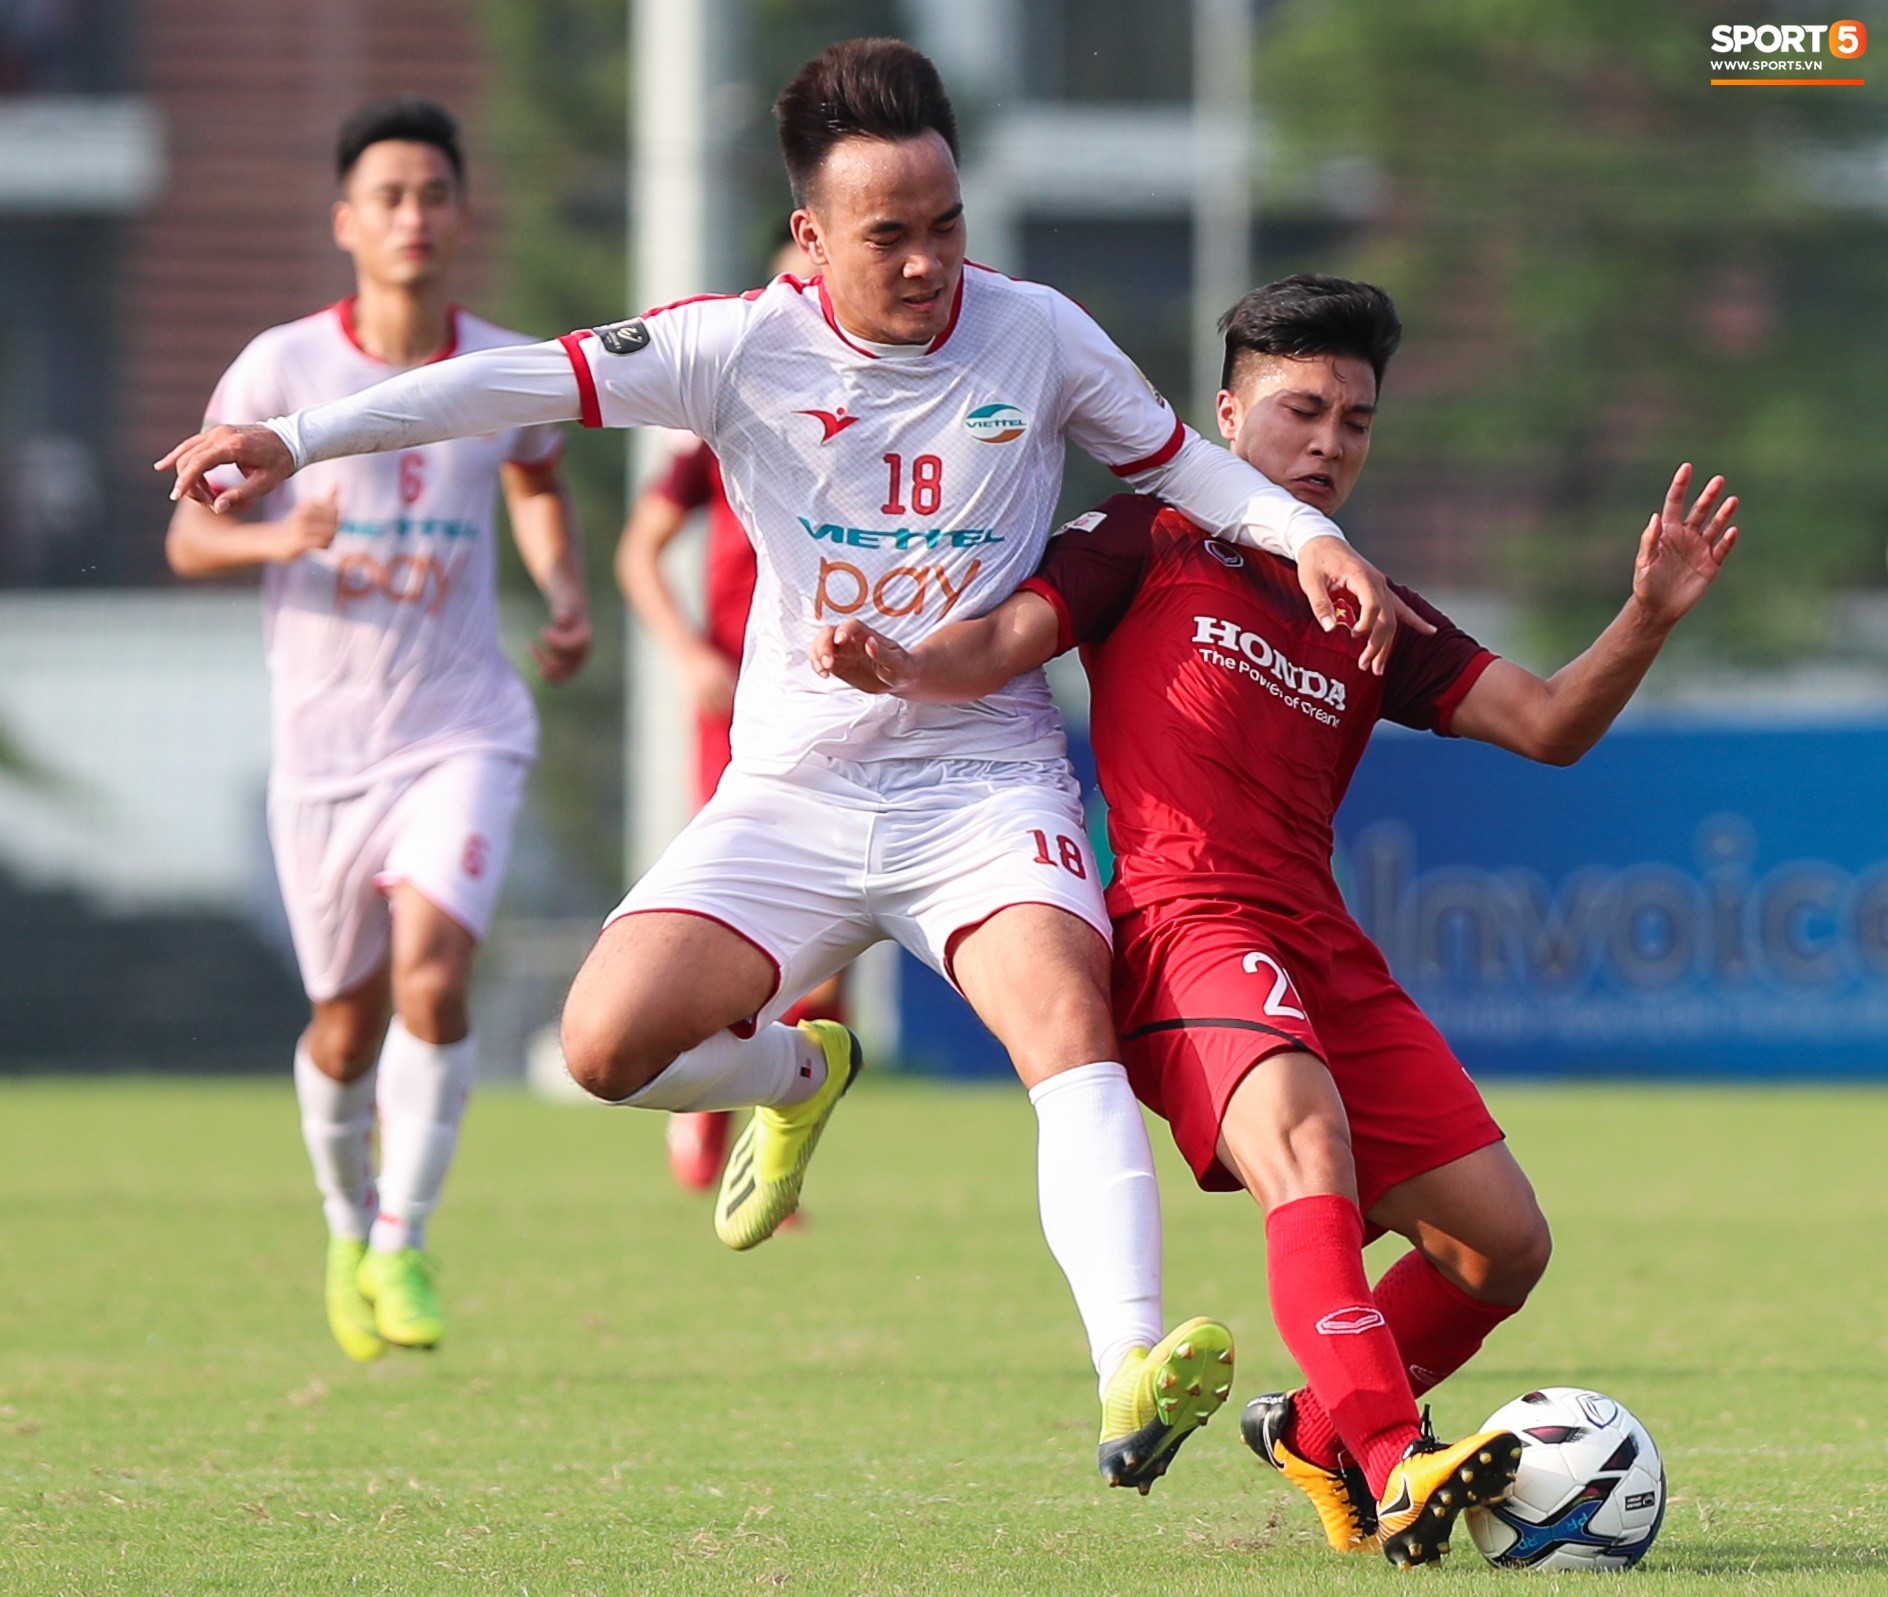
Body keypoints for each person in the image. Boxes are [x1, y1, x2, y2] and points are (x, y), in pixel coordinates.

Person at [157, 43, 1414, 1489]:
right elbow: (498, 386)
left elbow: (1182, 465)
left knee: (1063, 1022)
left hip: (982, 788)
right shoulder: (732, 342)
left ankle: (1128, 1361)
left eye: (947, 223)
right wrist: (294, 437)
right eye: (893, 233)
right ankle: (797, 1069)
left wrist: (1309, 535)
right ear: (812, 238)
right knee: (605, 1049)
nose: (934, 260)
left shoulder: (1041, 333)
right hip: (794, 795)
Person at [808, 273, 1738, 1563]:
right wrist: (903, 662)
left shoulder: (1367, 598)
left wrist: (1643, 617)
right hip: (1185, 922)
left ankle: (1314, 1425)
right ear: (1227, 416)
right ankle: (1391, 1454)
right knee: (1303, 1144)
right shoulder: (1144, 534)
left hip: (1322, 942)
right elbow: (1008, 634)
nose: (1329, 444)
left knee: (1501, 1246)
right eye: (1302, 410)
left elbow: (1547, 725)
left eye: (1355, 422)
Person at [164, 97, 591, 1363]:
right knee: (345, 1024)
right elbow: (186, 532)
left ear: (462, 214)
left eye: (434, 194)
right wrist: (266, 534)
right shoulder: (282, 369)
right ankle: (347, 1224)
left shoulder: (495, 363)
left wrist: (561, 592)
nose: (414, 215)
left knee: (432, 975)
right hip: (326, 756)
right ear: (347, 222)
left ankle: (405, 1235)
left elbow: (531, 473)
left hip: (463, 726)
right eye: (389, 196)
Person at [616, 235, 849, 1193]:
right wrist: (686, 653)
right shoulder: (727, 404)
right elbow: (641, 550)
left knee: (831, 948)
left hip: (848, 691)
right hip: (741, 703)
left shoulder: (888, 405)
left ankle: (768, 1130)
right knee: (742, 918)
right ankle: (705, 1137)